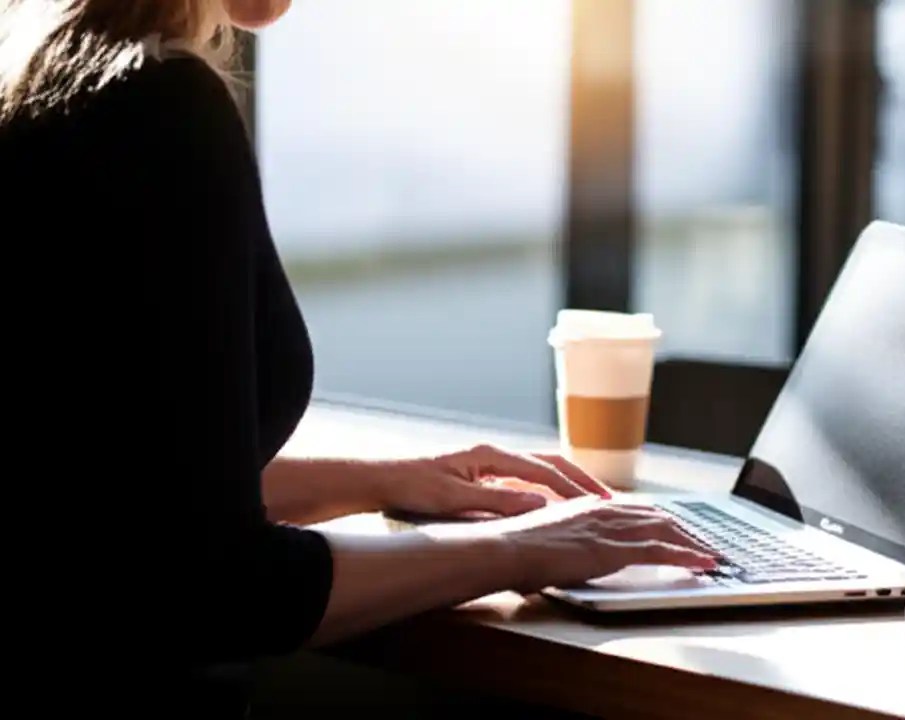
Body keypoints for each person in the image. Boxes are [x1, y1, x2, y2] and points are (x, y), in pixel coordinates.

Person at [0, 0, 716, 712]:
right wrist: (522, 548)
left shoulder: (49, 83)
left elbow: (122, 495)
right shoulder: (157, 109)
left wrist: (391, 480)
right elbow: (217, 588)